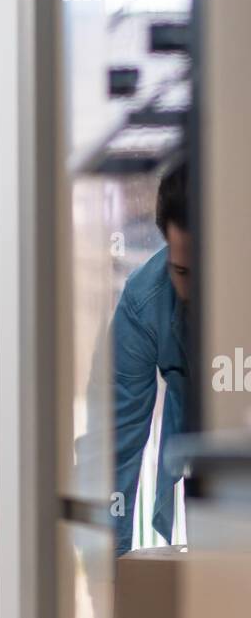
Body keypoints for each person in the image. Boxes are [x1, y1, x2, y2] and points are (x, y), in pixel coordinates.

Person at [111, 156, 190, 557]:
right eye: (183, 272)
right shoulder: (145, 304)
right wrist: (115, 578)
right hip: (208, 462)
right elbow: (117, 450)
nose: (195, 290)